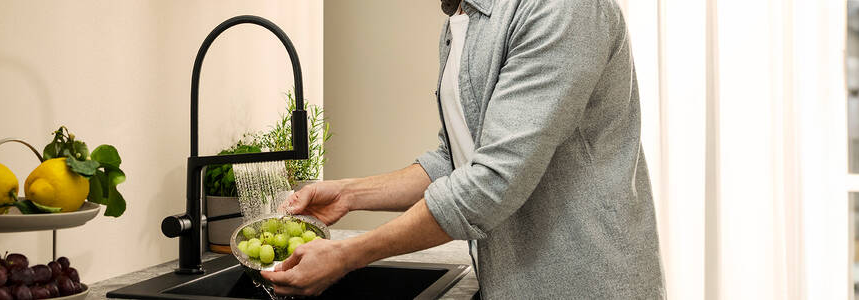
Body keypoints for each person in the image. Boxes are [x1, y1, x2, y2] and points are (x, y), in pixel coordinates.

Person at [260, 0, 663, 298]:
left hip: (585, 285)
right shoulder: (463, 20)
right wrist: (349, 194)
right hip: (511, 284)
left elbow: (491, 183)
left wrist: (347, 255)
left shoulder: (560, 9)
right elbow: (460, 162)